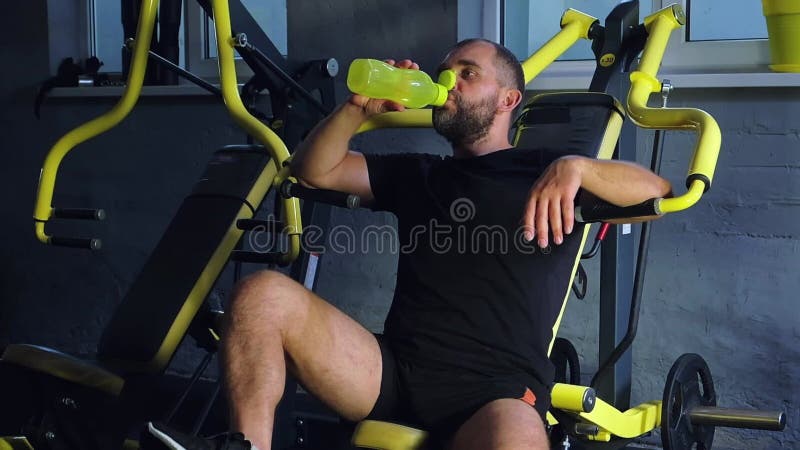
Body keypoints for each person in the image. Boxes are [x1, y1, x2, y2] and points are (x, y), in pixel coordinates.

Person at [148, 38, 671, 450]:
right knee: (262, 294)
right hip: (390, 373)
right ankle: (245, 447)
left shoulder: (545, 171)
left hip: (494, 390)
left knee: (519, 440)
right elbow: (315, 170)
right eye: (446, 71)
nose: (449, 82)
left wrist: (575, 166)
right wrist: (357, 109)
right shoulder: (421, 174)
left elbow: (656, 192)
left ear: (508, 99)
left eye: (468, 73)